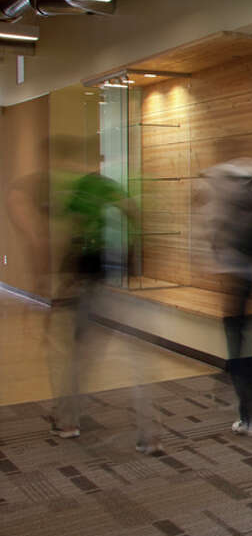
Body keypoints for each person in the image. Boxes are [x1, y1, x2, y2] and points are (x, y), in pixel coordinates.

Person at [49, 172, 163, 453]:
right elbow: (133, 212)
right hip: (120, 280)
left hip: (92, 283)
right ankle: (149, 434)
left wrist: (64, 281)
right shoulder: (111, 188)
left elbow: (73, 237)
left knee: (80, 357)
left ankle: (68, 421)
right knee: (137, 359)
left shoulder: (81, 189)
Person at [200, 158, 252, 437]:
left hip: (237, 282)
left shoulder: (230, 198)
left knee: (238, 352)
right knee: (241, 350)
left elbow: (214, 238)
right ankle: (251, 413)